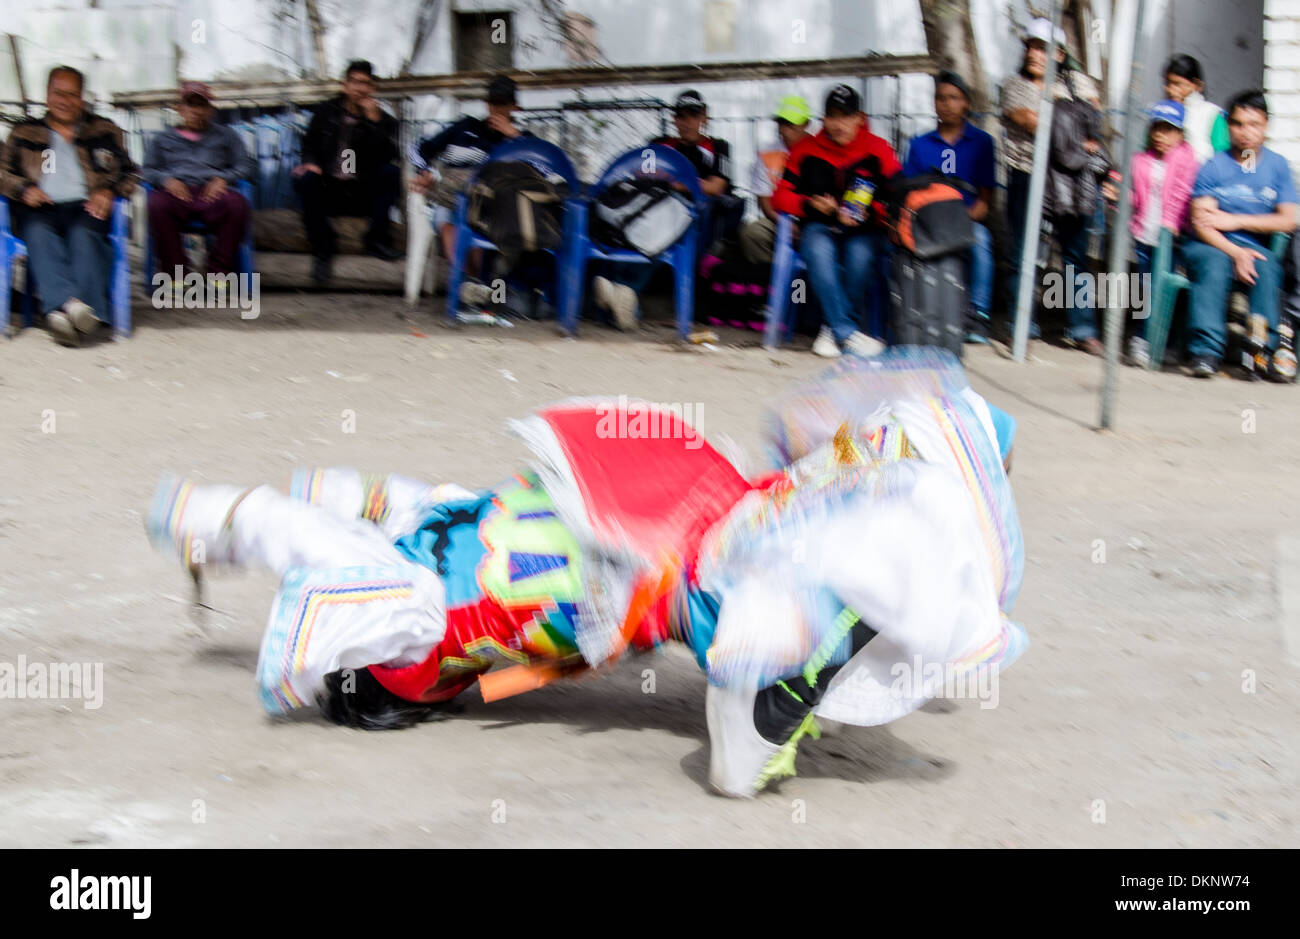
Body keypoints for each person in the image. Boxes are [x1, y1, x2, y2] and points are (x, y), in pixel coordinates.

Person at [145, 348, 1026, 799]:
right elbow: (352, 502)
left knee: (806, 545)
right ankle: (906, 513)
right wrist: (224, 521)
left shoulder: (425, 627)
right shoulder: (434, 571)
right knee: (799, 536)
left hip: (672, 545)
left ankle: (893, 534)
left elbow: (331, 520)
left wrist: (217, 521)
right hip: (668, 524)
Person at [0, 65, 138, 346]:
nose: (64, 100)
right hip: (39, 207)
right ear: (47, 95)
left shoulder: (105, 130)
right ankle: (77, 309)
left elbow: (131, 172)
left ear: (82, 97)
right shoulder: (24, 132)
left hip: (86, 206)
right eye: (57, 93)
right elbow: (2, 171)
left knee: (84, 236)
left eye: (72, 94)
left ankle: (61, 312)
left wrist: (109, 191)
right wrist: (23, 188)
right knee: (38, 233)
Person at [591, 89, 735, 329]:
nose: (686, 122)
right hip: (650, 207)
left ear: (705, 117)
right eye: (681, 116)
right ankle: (624, 299)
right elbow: (641, 177)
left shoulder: (718, 147)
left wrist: (679, 184)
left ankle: (622, 293)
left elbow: (717, 186)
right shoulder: (659, 145)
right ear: (674, 119)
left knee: (662, 234)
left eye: (693, 115)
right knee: (630, 228)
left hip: (688, 216)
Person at [772, 84, 898, 358]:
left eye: (846, 116)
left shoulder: (879, 150)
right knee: (818, 250)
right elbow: (779, 197)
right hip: (819, 225)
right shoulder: (806, 149)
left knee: (859, 256)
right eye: (832, 116)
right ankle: (847, 333)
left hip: (864, 230)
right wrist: (809, 204)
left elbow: (898, 197)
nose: (839, 124)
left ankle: (832, 329)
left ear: (859, 118)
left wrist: (871, 212)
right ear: (824, 119)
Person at [1001, 17, 1104, 347]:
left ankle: (1083, 328)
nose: (1034, 53)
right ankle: (1023, 323)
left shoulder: (1079, 82)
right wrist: (1073, 126)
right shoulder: (1015, 85)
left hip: (1072, 179)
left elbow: (1095, 124)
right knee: (1023, 253)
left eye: (1042, 48)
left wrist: (1063, 125)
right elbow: (1031, 121)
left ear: (1059, 54)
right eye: (1031, 46)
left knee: (1075, 255)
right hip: (1028, 174)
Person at [1183, 90, 1298, 378]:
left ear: (1266, 126)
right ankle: (1206, 351)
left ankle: (1263, 353)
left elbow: (1288, 220)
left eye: (1254, 124)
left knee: (1267, 266)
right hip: (1211, 245)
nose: (1246, 132)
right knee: (1215, 263)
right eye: (1238, 124)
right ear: (1229, 125)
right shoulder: (1214, 166)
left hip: (1254, 247)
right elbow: (1202, 222)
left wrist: (1234, 220)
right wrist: (1235, 252)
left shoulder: (1277, 166)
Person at [410, 73, 531, 310]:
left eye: (502, 104)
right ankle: (469, 285)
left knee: (472, 221)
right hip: (449, 197)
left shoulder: (521, 141)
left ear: (514, 107)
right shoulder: (465, 127)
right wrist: (423, 170)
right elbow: (418, 148)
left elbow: (542, 167)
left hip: (490, 208)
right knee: (448, 217)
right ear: (486, 103)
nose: (495, 109)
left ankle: (470, 288)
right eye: (492, 102)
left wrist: (512, 135)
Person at [903, 70, 997, 343]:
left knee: (980, 240)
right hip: (929, 220)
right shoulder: (920, 144)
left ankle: (979, 316)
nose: (947, 104)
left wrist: (967, 217)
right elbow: (911, 193)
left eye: (954, 98)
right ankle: (927, 313)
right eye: (941, 98)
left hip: (967, 218)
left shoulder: (981, 143)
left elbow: (985, 198)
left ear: (966, 103)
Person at [293, 60, 401, 286]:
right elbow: (309, 144)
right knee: (305, 179)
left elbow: (387, 155)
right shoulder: (326, 112)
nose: (361, 88)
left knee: (391, 172)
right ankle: (324, 249)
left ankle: (376, 241)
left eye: (366, 84)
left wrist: (373, 123)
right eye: (356, 82)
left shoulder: (384, 120)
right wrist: (311, 162)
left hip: (361, 191)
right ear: (345, 85)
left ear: (372, 89)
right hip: (330, 188)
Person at [143, 82, 255, 285]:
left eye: (201, 105)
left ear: (210, 110)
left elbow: (246, 165)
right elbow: (147, 170)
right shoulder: (162, 138)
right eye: (190, 104)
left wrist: (224, 179)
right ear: (179, 108)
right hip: (177, 194)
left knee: (237, 205)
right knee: (157, 205)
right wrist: (166, 180)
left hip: (212, 194)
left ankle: (218, 274)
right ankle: (177, 276)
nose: (196, 111)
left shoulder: (227, 135)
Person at [1125, 100, 1199, 367]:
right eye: (1157, 128)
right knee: (1144, 289)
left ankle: (1163, 342)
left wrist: (1171, 225)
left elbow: (1182, 194)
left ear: (1180, 134)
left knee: (1163, 291)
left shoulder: (1187, 160)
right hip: (1144, 234)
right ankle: (1141, 339)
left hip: (1171, 236)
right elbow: (1133, 193)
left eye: (1168, 129)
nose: (1161, 134)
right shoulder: (1140, 160)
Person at [738, 94, 813, 265]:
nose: (784, 130)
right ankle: (778, 279)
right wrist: (786, 225)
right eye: (781, 123)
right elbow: (765, 203)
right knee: (751, 234)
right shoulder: (767, 153)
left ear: (806, 124)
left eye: (791, 124)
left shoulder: (819, 149)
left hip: (814, 222)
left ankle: (803, 282)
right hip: (778, 219)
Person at [1162, 54, 1230, 165]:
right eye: (1167, 83)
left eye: (1177, 84)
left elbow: (1221, 157)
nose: (1170, 90)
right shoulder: (1161, 113)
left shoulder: (1211, 114)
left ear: (1198, 85)